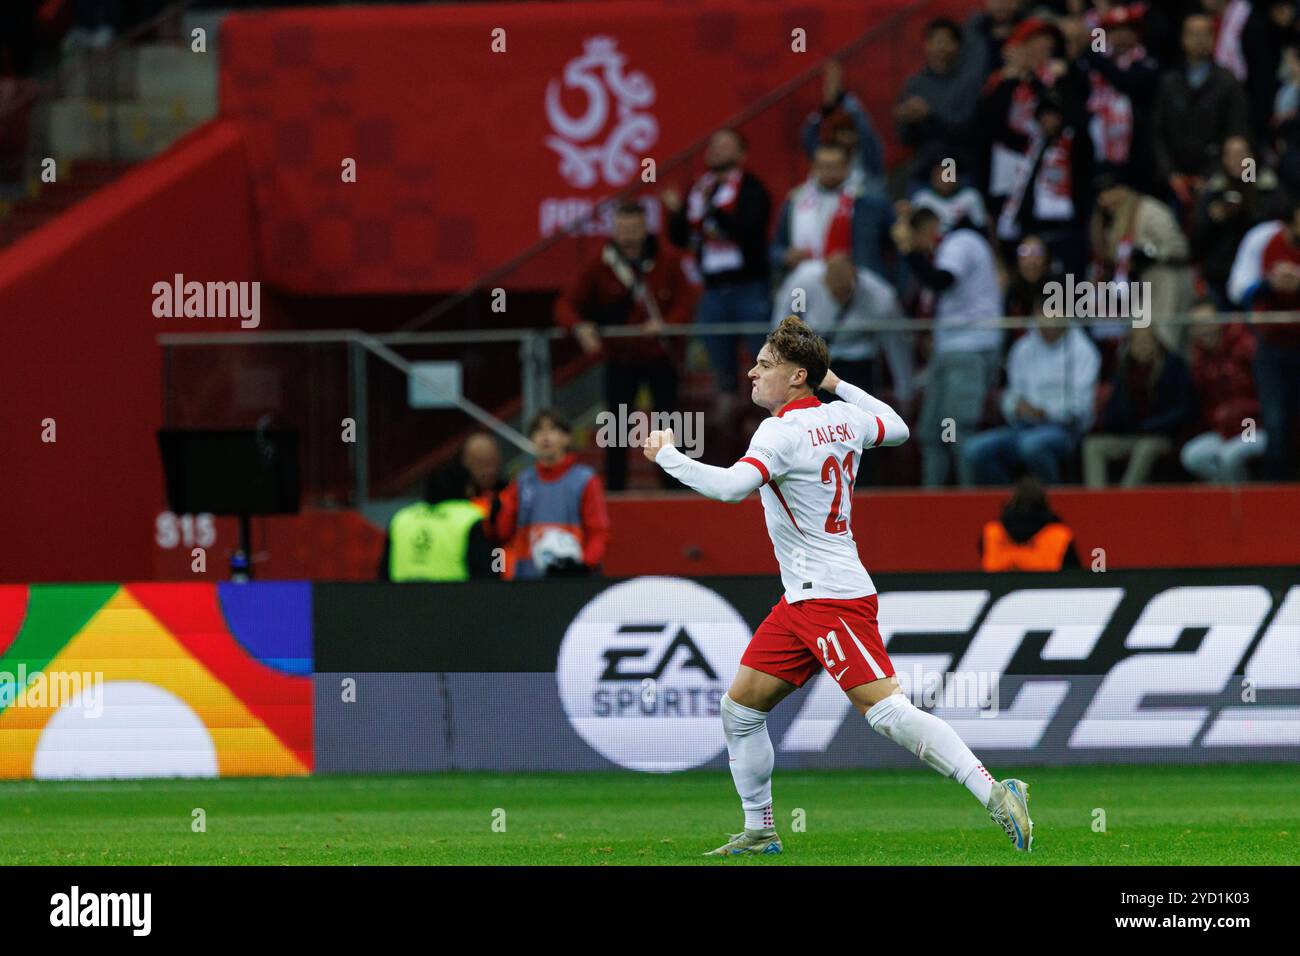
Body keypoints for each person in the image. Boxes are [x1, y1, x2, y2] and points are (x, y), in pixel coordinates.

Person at [641, 316, 1035, 857]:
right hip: (804, 598)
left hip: (829, 597)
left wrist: (668, 457)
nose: (753, 372)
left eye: (766, 364)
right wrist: (837, 384)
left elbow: (732, 488)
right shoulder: (843, 419)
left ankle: (995, 790)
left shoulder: (779, 432)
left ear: (797, 376)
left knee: (887, 713)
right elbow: (895, 426)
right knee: (740, 711)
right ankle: (760, 830)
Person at [553, 201, 695, 491]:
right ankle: (615, 490)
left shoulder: (667, 261)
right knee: (616, 429)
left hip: (659, 356)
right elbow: (565, 304)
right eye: (622, 227)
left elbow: (686, 302)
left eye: (634, 227)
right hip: (620, 357)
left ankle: (674, 488)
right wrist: (579, 327)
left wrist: (666, 323)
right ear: (614, 230)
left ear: (645, 228)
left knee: (669, 425)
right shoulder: (599, 265)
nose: (628, 234)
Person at [893, 204, 1004, 487]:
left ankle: (968, 502)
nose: (920, 247)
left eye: (916, 239)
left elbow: (940, 280)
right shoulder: (957, 243)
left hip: (970, 346)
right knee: (932, 431)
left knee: (959, 428)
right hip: (952, 347)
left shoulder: (959, 241)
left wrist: (909, 253)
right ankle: (932, 503)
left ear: (928, 229)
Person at [663, 128, 772, 396]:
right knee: (720, 367)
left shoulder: (752, 188)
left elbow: (751, 232)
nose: (717, 150)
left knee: (764, 362)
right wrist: (676, 214)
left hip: (749, 287)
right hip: (713, 290)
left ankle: (766, 420)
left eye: (726, 145)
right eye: (714, 145)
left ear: (741, 154)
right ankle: (730, 423)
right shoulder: (700, 190)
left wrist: (714, 210)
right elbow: (682, 238)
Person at [962, 305, 1101, 486]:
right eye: (1041, 317)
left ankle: (1051, 503)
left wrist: (1046, 412)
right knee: (973, 450)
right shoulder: (1023, 347)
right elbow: (1011, 395)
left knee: (1031, 446)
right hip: (1022, 427)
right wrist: (1016, 407)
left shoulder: (1083, 351)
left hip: (1063, 428)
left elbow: (1080, 407)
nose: (1046, 324)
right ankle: (1010, 503)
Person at [492, 408, 610, 579]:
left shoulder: (585, 480)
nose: (545, 437)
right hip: (528, 577)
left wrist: (584, 564)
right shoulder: (522, 481)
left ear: (566, 437)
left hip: (574, 576)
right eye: (539, 431)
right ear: (532, 439)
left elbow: (599, 532)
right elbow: (504, 533)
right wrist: (497, 514)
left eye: (552, 430)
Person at [1082, 325, 1197, 488]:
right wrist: (1115, 419)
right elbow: (1113, 409)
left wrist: (1151, 426)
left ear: (1156, 343)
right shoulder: (1124, 369)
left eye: (1147, 342)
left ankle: (1125, 500)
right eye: (1137, 342)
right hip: (1132, 434)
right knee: (1093, 446)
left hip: (1163, 436)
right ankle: (1096, 500)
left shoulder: (1174, 367)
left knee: (1145, 448)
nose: (1143, 347)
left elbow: (1185, 410)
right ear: (1130, 346)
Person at [770, 141, 894, 281]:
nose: (829, 172)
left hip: (859, 283)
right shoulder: (795, 200)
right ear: (814, 167)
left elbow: (894, 244)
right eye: (823, 166)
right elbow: (775, 248)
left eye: (835, 166)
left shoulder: (870, 202)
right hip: (805, 284)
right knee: (797, 302)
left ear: (847, 167)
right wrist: (785, 256)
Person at [1181, 308, 1267, 483]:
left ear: (1219, 322)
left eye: (1207, 322)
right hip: (1224, 430)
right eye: (1197, 326)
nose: (1203, 329)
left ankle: (1242, 502)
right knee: (1192, 456)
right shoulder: (1199, 359)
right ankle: (1229, 493)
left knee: (1231, 455)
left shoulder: (1245, 346)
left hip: (1252, 425)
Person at [378, 462, 498, 582]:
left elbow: (384, 573)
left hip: (399, 598)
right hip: (455, 598)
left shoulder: (401, 519)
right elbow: (486, 574)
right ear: (466, 489)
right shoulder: (470, 518)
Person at [801, 60, 886, 198]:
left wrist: (842, 96)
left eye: (850, 134)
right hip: (829, 209)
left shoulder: (870, 156)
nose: (845, 138)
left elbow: (864, 127)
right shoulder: (827, 155)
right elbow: (808, 135)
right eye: (841, 133)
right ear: (835, 135)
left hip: (863, 210)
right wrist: (827, 108)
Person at [979, 475, 1080, 571]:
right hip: (1046, 587)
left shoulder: (992, 531)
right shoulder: (1060, 535)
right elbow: (1075, 577)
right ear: (1044, 502)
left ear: (1013, 500)